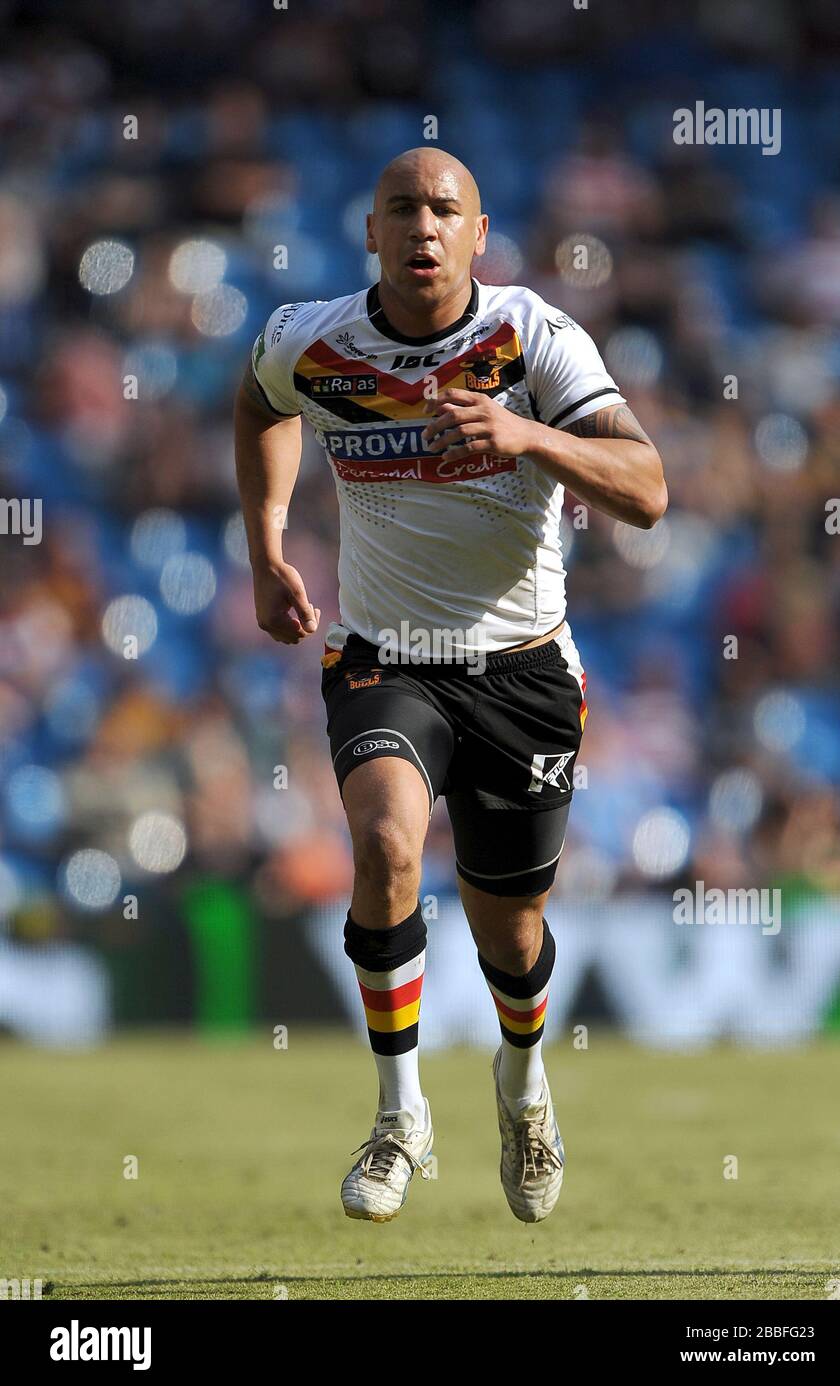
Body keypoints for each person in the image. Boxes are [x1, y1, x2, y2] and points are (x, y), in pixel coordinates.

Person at [234, 147, 667, 1224]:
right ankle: (398, 1118)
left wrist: (526, 433)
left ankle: (521, 1086)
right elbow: (258, 404)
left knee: (507, 933)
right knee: (383, 848)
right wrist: (266, 545)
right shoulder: (312, 339)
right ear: (370, 234)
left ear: (478, 235)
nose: (423, 227)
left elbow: (650, 489)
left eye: (445, 210)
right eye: (402, 210)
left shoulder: (534, 338)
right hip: (385, 657)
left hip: (522, 670)